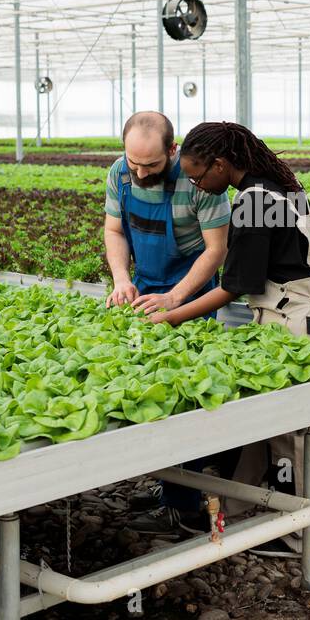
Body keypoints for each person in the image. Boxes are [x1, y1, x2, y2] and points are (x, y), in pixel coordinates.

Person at [149, 121, 310, 556]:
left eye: (199, 175)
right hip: (302, 314)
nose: (197, 184)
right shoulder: (279, 187)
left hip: (295, 320)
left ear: (221, 164)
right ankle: (237, 508)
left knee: (298, 431)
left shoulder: (253, 202)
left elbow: (233, 285)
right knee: (267, 423)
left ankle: (298, 536)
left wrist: (172, 316)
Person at [103, 111, 230, 534]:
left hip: (190, 296)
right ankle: (169, 485)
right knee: (150, 389)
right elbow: (115, 231)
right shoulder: (120, 174)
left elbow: (216, 249)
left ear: (172, 152)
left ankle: (185, 504)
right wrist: (122, 279)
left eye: (151, 166)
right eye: (134, 163)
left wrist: (176, 297)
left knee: (187, 393)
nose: (139, 172)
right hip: (144, 291)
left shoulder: (197, 180)